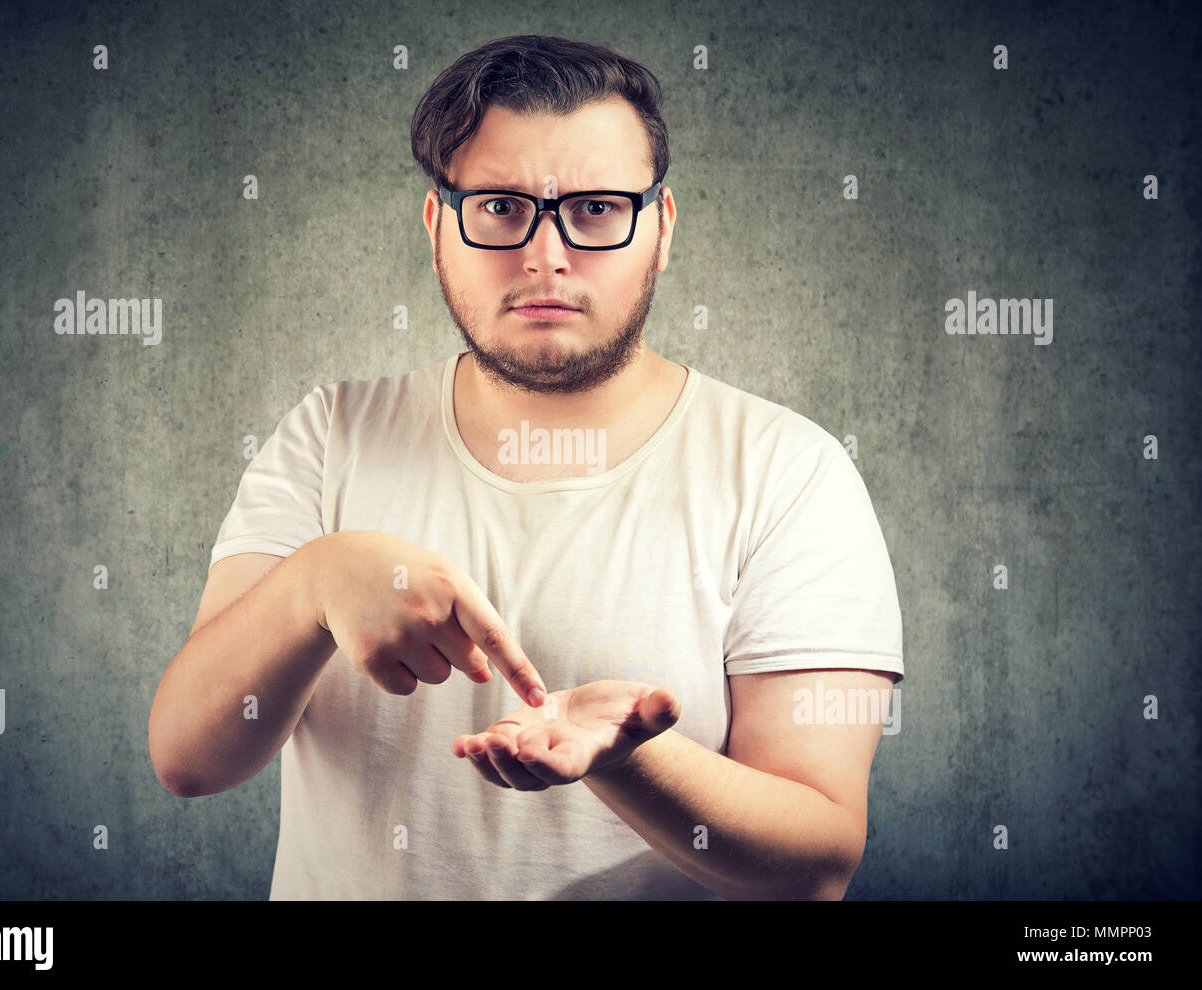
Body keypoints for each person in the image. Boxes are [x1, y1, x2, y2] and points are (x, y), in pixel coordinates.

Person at [148, 34, 904, 900]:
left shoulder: (787, 473)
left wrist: (620, 762)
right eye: (502, 208)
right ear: (439, 227)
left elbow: (818, 860)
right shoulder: (329, 438)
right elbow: (186, 757)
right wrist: (311, 586)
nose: (546, 255)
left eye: (594, 208)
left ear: (661, 228)